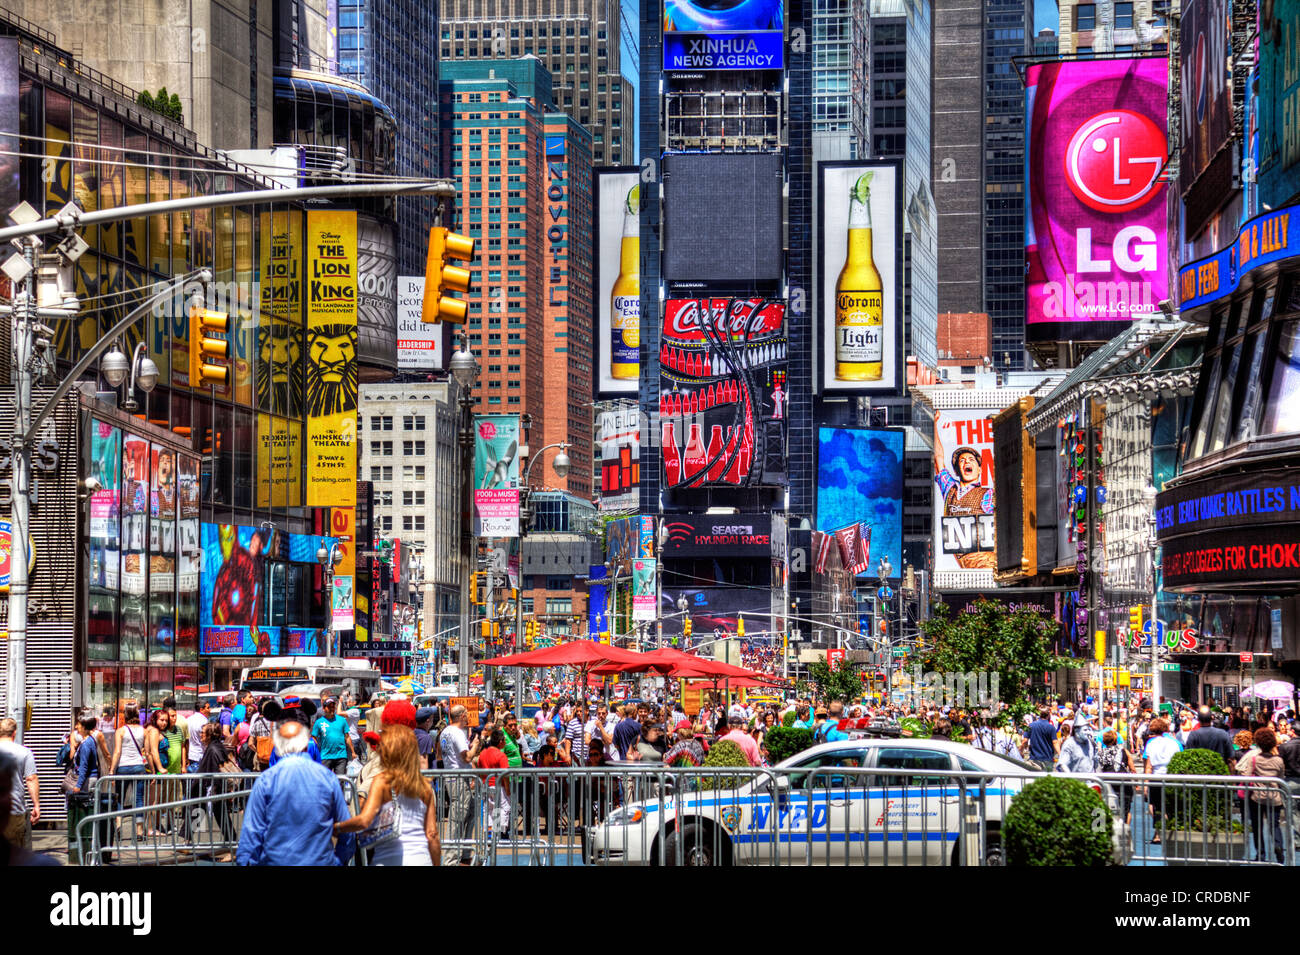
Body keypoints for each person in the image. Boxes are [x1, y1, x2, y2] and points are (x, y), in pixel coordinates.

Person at [236, 697, 355, 866]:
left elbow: (251, 834)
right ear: (307, 742)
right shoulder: (328, 779)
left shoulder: (266, 781)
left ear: (277, 743)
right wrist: (336, 861)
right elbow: (347, 832)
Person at [335, 725, 440, 866]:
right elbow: (432, 834)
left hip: (387, 859)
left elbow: (364, 820)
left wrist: (336, 827)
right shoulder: (425, 786)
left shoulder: (383, 781)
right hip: (420, 858)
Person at [440, 704, 490, 865]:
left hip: (458, 777)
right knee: (457, 818)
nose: (469, 716)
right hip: (459, 779)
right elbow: (466, 757)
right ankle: (451, 859)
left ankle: (464, 853)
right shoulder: (456, 732)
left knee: (470, 814)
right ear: (462, 716)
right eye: (467, 714)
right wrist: (475, 745)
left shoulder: (445, 732)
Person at [1237, 727, 1287, 864]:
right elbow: (1282, 777)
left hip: (1256, 798)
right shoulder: (1278, 761)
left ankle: (1260, 853)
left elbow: (1246, 776)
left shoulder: (1254, 759)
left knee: (1257, 825)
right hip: (1275, 798)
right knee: (1274, 826)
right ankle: (1278, 847)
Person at [0, 750, 57, 865]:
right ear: (14, 733)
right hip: (17, 813)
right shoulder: (24, 753)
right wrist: (36, 805)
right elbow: (31, 779)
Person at [1142, 717, 1182, 845]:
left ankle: (1158, 834)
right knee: (1170, 807)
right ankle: (1170, 832)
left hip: (1156, 778)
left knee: (1157, 807)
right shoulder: (1174, 743)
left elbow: (1148, 766)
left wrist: (1145, 784)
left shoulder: (1151, 743)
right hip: (1171, 778)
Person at [312, 698, 355, 776]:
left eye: (333, 707)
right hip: (325, 756)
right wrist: (317, 751)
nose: (332, 709)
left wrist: (353, 752)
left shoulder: (342, 720)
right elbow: (314, 737)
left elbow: (347, 737)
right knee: (325, 780)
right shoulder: (319, 722)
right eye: (329, 707)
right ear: (324, 709)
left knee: (341, 780)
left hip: (341, 756)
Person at [1026, 707, 1058, 772]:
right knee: (1046, 780)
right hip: (1048, 759)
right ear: (1048, 715)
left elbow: (1025, 740)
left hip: (1034, 758)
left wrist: (1020, 750)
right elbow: (1055, 742)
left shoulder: (1031, 725)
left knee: (1034, 779)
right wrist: (1060, 754)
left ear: (1040, 715)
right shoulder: (1051, 728)